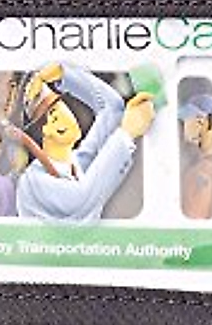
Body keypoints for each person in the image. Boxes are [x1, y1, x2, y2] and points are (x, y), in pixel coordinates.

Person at [15, 63, 156, 223]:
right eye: (52, 113)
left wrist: (65, 76)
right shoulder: (33, 180)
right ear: (46, 131)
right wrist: (126, 134)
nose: (64, 114)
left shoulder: (76, 165)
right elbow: (80, 199)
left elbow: (112, 108)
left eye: (59, 106)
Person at [179, 94, 212, 219]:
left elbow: (194, 218)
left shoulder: (202, 171)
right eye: (185, 121)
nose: (187, 127)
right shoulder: (205, 166)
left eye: (199, 121)